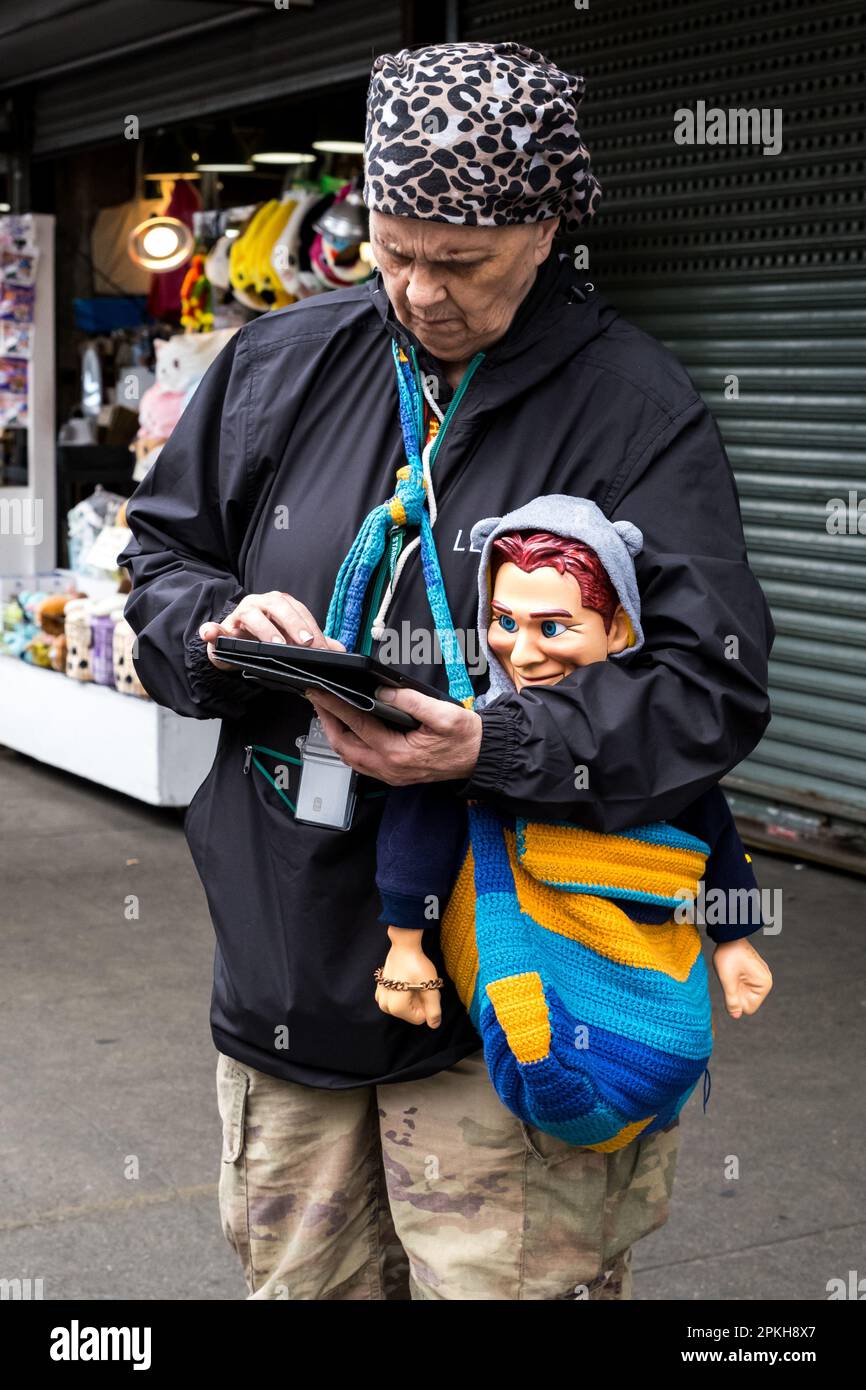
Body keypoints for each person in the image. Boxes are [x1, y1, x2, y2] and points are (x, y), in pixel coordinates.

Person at [119, 40, 774, 1300]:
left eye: (459, 260)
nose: (417, 290)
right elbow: (161, 562)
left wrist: (493, 747)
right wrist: (216, 626)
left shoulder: (632, 404)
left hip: (522, 991)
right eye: (393, 243)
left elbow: (712, 680)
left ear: (544, 228)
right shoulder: (278, 362)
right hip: (290, 967)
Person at [372, 500, 773, 1059]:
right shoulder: (470, 729)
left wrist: (734, 936)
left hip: (638, 954)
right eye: (504, 622)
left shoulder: (645, 733)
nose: (524, 652)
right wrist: (405, 944)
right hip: (515, 960)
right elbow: (419, 828)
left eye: (553, 628)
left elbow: (711, 824)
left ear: (619, 629)